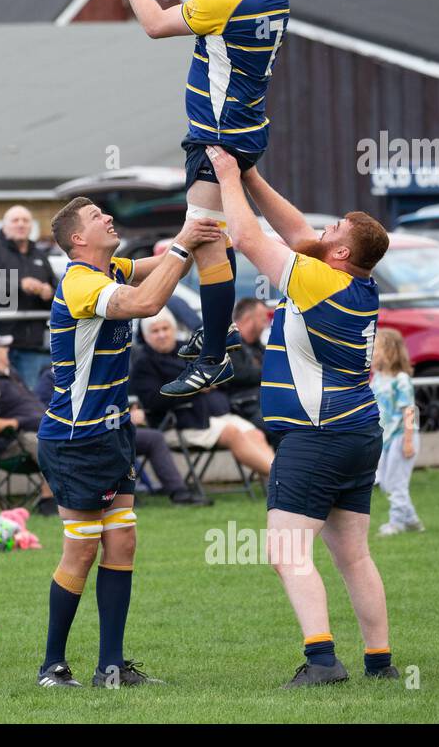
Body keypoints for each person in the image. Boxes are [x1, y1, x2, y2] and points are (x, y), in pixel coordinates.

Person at [205, 145, 398, 687]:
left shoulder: (321, 281)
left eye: (333, 229)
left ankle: (321, 661)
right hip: (358, 430)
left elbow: (246, 238)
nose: (321, 230)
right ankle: (379, 664)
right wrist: (252, 176)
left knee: (286, 549)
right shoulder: (355, 280)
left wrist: (225, 177)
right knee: (354, 557)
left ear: (339, 254)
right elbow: (298, 236)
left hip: (319, 434)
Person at [98, 0, 288, 396]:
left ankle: (214, 356)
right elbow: (217, 0)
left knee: (203, 236)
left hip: (218, 137)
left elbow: (156, 24)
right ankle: (219, 329)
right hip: (244, 129)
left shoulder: (231, 1)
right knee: (214, 237)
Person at [35, 198, 221, 689]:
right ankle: (52, 667)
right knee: (81, 550)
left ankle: (111, 669)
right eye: (98, 217)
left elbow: (160, 267)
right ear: (78, 239)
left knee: (123, 539)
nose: (109, 219)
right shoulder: (80, 283)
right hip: (76, 438)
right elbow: (145, 302)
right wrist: (185, 243)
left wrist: (203, 230)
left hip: (113, 432)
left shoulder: (111, 266)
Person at [130, 308, 275, 480]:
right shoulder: (144, 363)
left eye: (165, 328)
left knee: (256, 434)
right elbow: (153, 400)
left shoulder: (188, 350)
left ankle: (279, 476)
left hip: (218, 413)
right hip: (182, 422)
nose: (162, 334)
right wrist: (194, 387)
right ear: (146, 336)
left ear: (174, 329)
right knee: (233, 434)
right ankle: (281, 480)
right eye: (155, 331)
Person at [34, 362, 205, 506]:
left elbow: (113, 404)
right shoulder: (51, 379)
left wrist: (127, 414)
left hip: (114, 428)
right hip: (80, 436)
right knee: (110, 440)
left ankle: (178, 491)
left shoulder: (101, 370)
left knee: (152, 438)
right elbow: (49, 416)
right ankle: (116, 491)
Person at [0, 330, 57, 516]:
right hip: (10, 443)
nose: (7, 349)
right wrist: (16, 423)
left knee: (60, 436)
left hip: (34, 432)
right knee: (51, 442)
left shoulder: (7, 373)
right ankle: (49, 500)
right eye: (2, 346)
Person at [0, 205, 57, 388]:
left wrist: (47, 293)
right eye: (15, 220)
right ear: (4, 226)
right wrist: (20, 285)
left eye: (25, 220)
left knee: (29, 397)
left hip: (31, 346)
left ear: (31, 227)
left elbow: (58, 297)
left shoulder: (40, 256)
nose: (21, 224)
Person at [371, 329, 424, 537]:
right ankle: (411, 519)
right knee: (385, 482)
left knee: (397, 482)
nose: (372, 353)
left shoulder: (400, 379)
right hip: (386, 438)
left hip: (402, 436)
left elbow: (409, 410)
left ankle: (396, 523)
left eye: (376, 349)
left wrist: (408, 441)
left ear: (389, 351)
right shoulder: (377, 378)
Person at [227, 296, 278, 446]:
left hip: (266, 403)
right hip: (243, 407)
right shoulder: (228, 342)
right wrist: (267, 371)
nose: (267, 323)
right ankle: (282, 469)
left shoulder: (257, 346)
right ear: (249, 319)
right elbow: (239, 374)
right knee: (282, 428)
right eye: (263, 319)